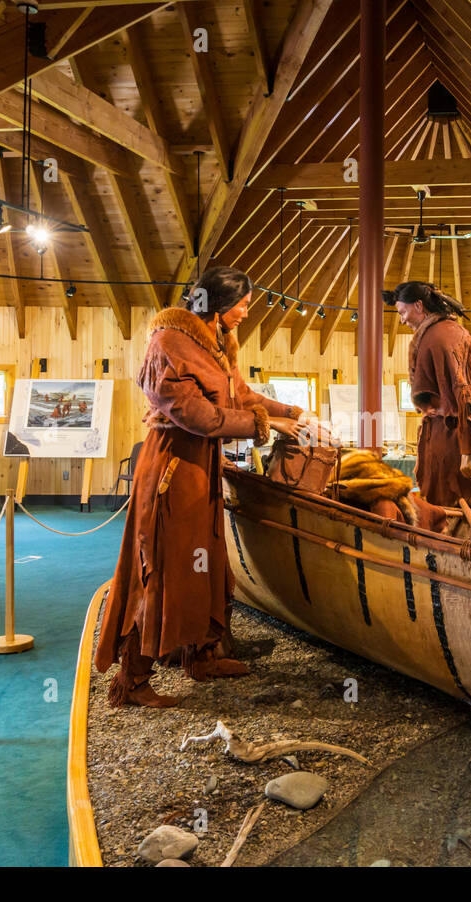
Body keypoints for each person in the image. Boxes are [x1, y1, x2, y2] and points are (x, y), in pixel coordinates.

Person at [96, 267, 313, 707]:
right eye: (244, 303)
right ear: (218, 303)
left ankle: (202, 654)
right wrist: (263, 426)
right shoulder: (167, 344)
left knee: (208, 559)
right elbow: (195, 415)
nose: (248, 311)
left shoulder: (215, 343)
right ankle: (132, 680)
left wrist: (293, 412)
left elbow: (239, 395)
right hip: (172, 469)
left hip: (200, 467)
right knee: (165, 566)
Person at [387, 281, 471, 513]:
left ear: (418, 305)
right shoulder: (450, 331)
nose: (402, 320)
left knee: (448, 508)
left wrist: (467, 452)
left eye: (403, 312)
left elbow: (462, 392)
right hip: (469, 427)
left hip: (458, 432)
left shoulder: (438, 338)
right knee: (465, 508)